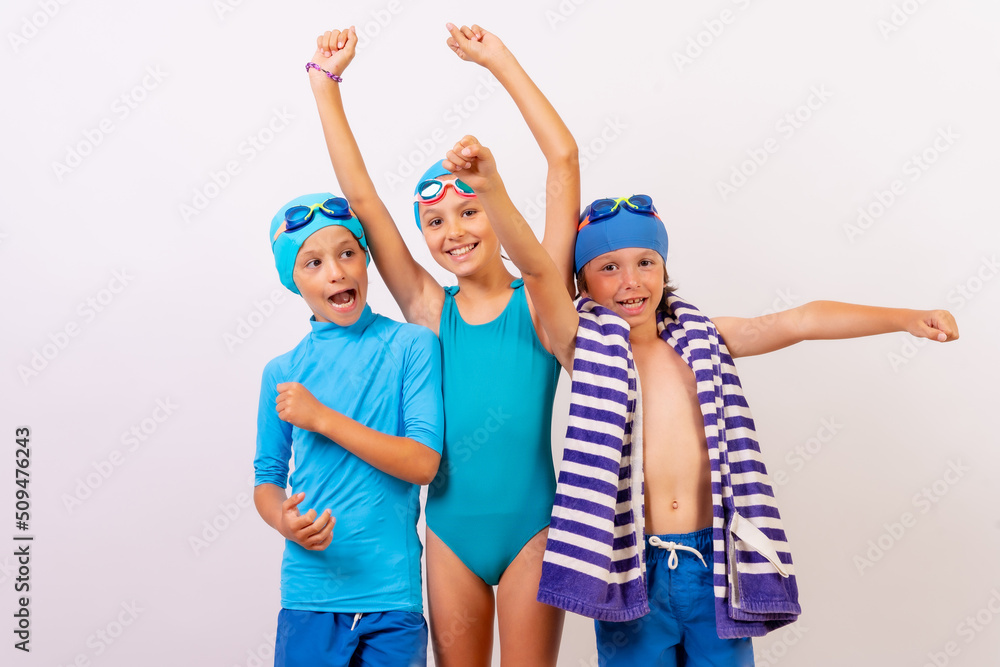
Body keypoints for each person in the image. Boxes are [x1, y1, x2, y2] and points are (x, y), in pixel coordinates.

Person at [436, 136, 960, 666]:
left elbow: (797, 321)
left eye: (646, 262)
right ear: (582, 283)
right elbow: (535, 271)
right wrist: (491, 189)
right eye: (609, 267)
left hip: (715, 569)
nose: (631, 281)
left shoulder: (703, 340)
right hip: (632, 573)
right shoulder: (580, 346)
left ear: (664, 270)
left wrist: (902, 318)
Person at [306, 23, 579, 666]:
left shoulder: (542, 300)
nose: (452, 232)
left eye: (468, 210)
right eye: (434, 222)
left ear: (492, 207)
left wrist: (498, 61)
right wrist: (326, 85)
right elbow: (364, 201)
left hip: (534, 530)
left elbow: (563, 160)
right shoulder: (430, 310)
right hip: (451, 532)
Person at [253, 193, 444, 667]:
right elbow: (267, 479)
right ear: (292, 281)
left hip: (393, 597)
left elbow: (423, 463)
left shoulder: (411, 346)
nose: (335, 272)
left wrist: (322, 418)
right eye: (313, 263)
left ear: (365, 260)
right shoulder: (282, 372)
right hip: (310, 595)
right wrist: (284, 522)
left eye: (347, 253)